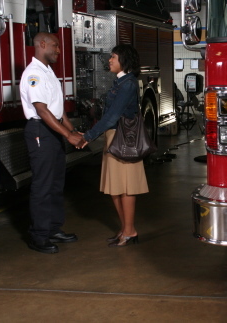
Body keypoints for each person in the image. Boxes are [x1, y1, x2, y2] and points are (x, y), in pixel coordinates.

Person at [20, 32, 85, 254]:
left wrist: (73, 131)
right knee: (43, 185)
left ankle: (52, 229)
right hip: (41, 130)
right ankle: (38, 236)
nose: (58, 50)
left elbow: (58, 111)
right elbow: (42, 110)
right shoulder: (33, 74)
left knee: (56, 183)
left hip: (53, 130)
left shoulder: (48, 72)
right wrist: (68, 136)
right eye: (55, 46)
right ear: (42, 44)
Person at [81, 44, 148, 247]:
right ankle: (126, 229)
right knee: (116, 188)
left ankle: (130, 231)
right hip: (114, 137)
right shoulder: (120, 81)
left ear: (124, 60)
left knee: (126, 187)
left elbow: (112, 117)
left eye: (113, 57)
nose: (109, 60)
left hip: (123, 138)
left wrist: (89, 135)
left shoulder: (127, 84)